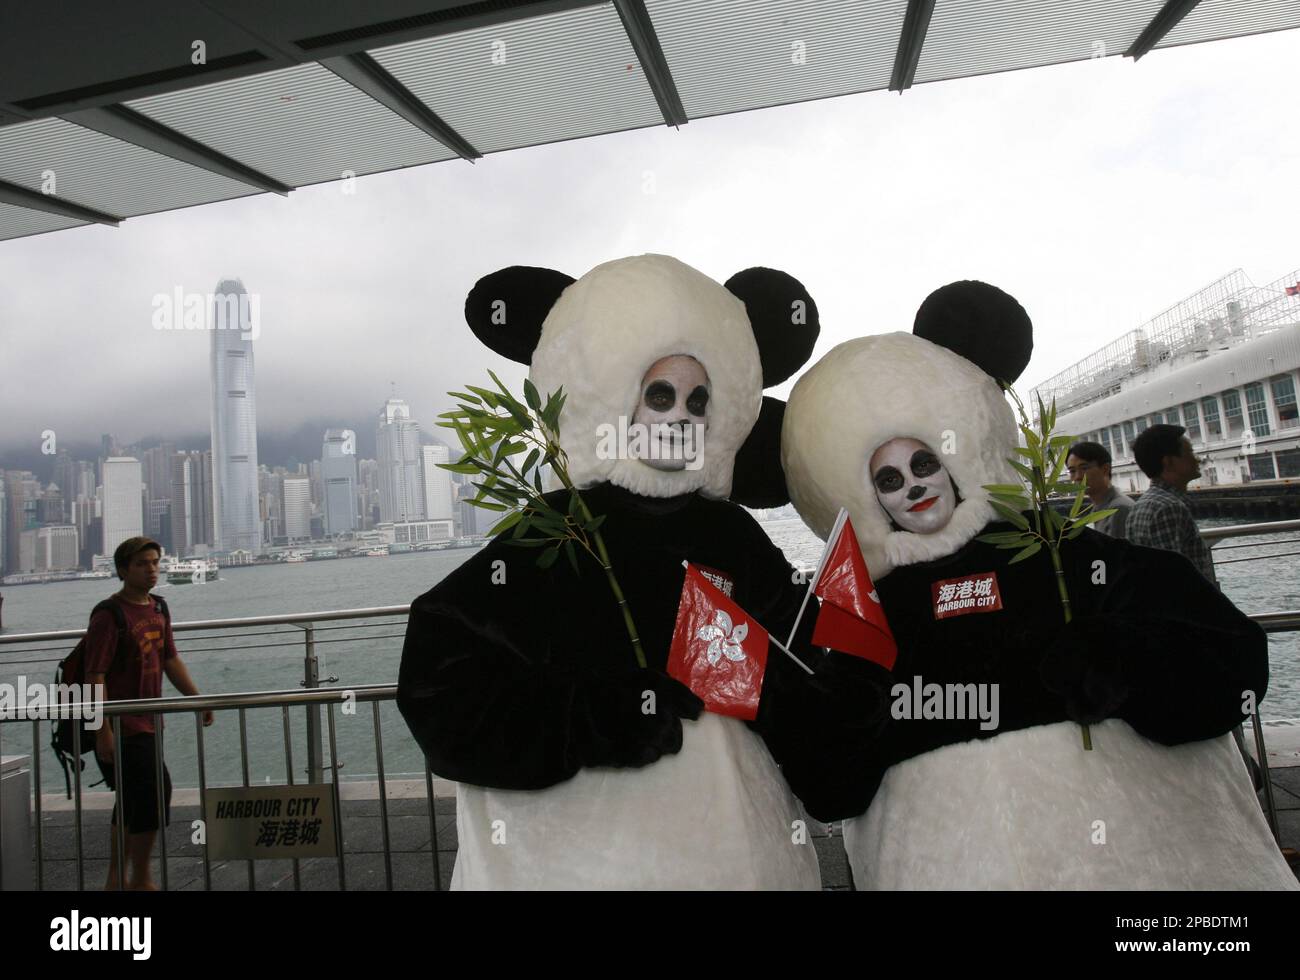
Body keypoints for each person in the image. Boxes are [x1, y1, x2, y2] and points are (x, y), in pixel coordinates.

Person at [777, 281, 1297, 889]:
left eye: (923, 464)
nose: (914, 487)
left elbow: (1234, 664)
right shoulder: (861, 614)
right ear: (867, 499)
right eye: (889, 480)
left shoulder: (1068, 556)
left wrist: (1124, 656)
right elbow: (828, 786)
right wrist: (851, 707)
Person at [397, 255, 880, 889]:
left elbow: (805, 642)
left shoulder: (727, 533)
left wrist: (801, 697)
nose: (682, 415)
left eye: (698, 399)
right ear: (612, 399)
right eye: (661, 395)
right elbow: (440, 687)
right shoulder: (558, 529)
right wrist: (585, 720)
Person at [85, 536, 212, 890]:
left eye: (155, 562)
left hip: (150, 720)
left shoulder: (158, 608)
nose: (151, 569)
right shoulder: (109, 615)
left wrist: (196, 699)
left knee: (133, 800)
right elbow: (93, 674)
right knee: (154, 792)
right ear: (123, 570)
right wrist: (102, 730)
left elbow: (170, 658)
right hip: (122, 724)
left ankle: (123, 879)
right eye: (142, 563)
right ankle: (135, 878)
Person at [1127, 424, 1216, 583]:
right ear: (1168, 462)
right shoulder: (1169, 508)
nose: (1197, 458)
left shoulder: (1140, 506)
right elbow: (1174, 580)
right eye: (1189, 452)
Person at [1065, 440, 1134, 538]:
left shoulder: (1118, 509)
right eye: (1072, 471)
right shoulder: (1100, 507)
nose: (1077, 477)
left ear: (1105, 469)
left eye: (1084, 468)